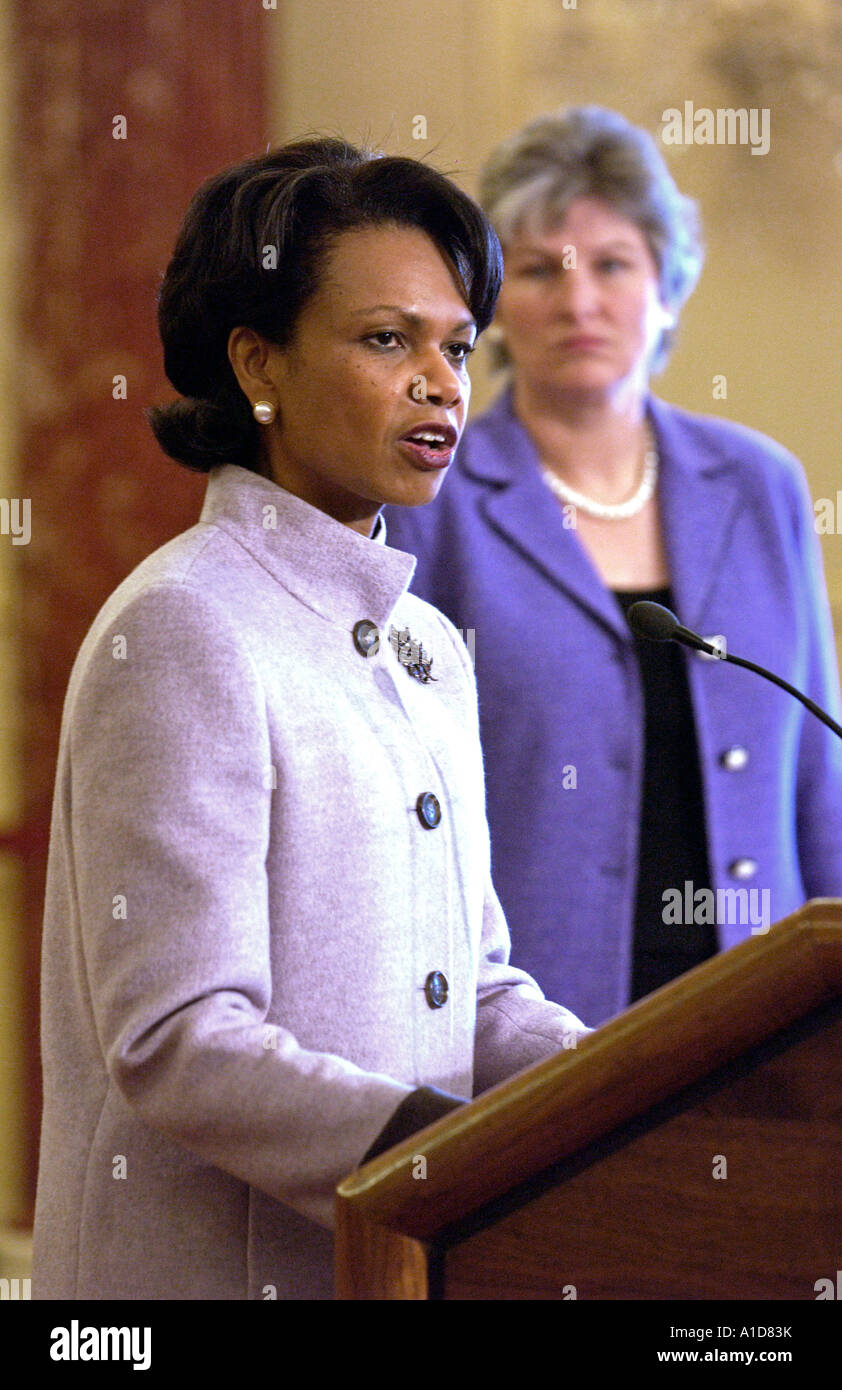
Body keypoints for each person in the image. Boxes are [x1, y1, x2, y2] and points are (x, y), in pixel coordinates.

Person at [30, 138, 589, 1302]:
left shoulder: (428, 648)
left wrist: (631, 1093)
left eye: (456, 345)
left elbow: (474, 989)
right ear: (257, 364)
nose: (440, 382)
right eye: (388, 339)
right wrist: (448, 1158)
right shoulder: (187, 625)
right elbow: (179, 1039)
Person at [385, 106, 842, 1027]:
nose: (578, 299)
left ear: (667, 284)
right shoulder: (433, 489)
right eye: (543, 268)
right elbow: (398, 787)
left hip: (766, 1015)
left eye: (612, 264)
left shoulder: (759, 484)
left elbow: (817, 774)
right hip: (531, 1021)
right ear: (495, 303)